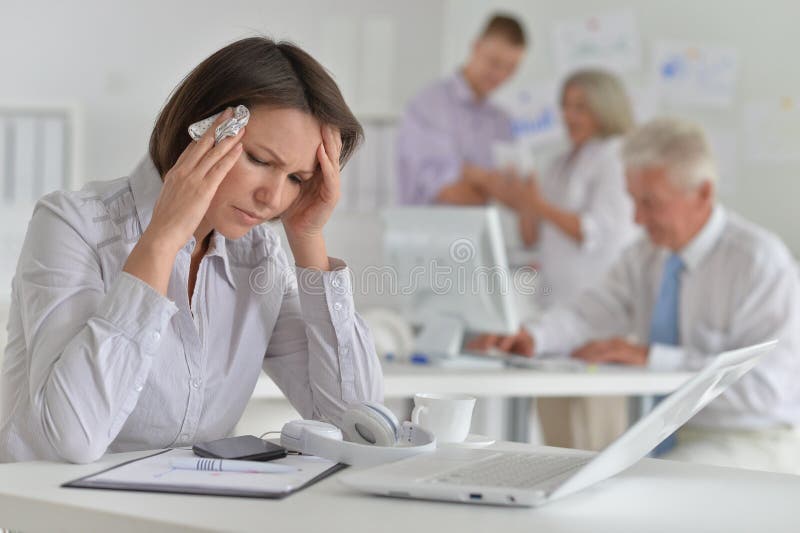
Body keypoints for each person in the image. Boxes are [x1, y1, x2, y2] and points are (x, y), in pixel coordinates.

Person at [0, 37, 383, 464]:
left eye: (297, 178)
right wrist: (163, 239)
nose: (272, 197)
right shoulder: (74, 226)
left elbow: (356, 424)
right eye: (260, 159)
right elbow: (66, 441)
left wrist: (308, 236)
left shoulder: (256, 257)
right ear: (201, 133)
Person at [471, 117, 800, 473]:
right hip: (661, 431)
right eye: (632, 201)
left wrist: (651, 357)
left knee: (639, 487)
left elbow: (766, 389)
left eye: (651, 203)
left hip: (751, 438)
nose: (638, 219)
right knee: (577, 478)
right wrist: (533, 335)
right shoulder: (645, 255)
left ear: (703, 193)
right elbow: (589, 313)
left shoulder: (759, 263)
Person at [504, 69, 638, 450]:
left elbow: (596, 232)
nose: (569, 115)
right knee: (556, 436)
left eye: (580, 106)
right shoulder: (558, 163)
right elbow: (531, 237)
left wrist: (538, 204)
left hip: (602, 315)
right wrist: (523, 203)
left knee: (596, 434)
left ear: (604, 107)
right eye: (565, 106)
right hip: (556, 313)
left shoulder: (617, 157)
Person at [396, 13, 526, 205]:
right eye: (494, 62)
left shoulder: (501, 122)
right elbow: (448, 190)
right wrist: (486, 181)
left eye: (511, 68)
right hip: (424, 231)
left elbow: (513, 196)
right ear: (476, 47)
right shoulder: (428, 104)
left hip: (476, 234)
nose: (500, 75)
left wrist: (470, 174)